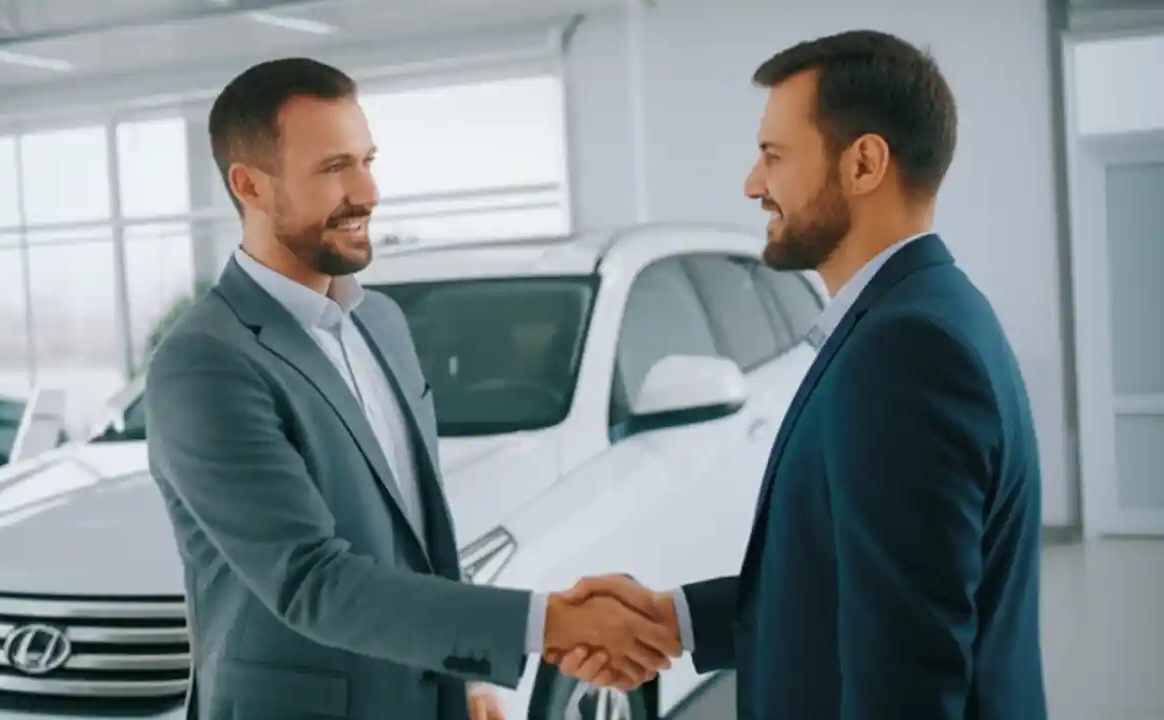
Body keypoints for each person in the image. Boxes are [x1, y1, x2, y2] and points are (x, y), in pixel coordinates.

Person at [143, 57, 681, 720]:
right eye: (335, 168)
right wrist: (547, 624)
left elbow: (420, 534)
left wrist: (469, 677)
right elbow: (312, 580)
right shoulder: (204, 361)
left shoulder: (381, 321)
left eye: (368, 160)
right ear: (250, 185)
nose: (367, 192)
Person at [551, 29, 1048, 720]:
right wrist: (676, 620)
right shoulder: (923, 313)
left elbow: (909, 675)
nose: (753, 184)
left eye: (773, 156)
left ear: (864, 163)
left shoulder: (906, 350)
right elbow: (846, 594)